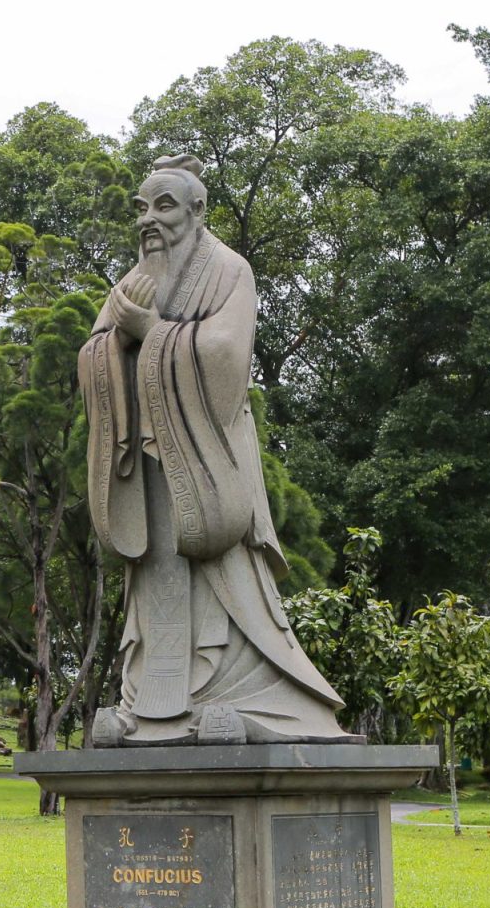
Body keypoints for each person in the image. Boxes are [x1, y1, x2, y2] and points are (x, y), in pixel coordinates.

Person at [78, 155, 349, 746]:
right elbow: (95, 353)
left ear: (198, 211)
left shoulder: (229, 271)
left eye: (165, 205)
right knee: (156, 578)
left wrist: (151, 333)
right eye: (142, 208)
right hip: (146, 469)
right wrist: (114, 342)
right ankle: (147, 707)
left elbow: (226, 354)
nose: (149, 220)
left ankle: (238, 694)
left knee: (223, 571)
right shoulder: (132, 281)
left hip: (207, 463)